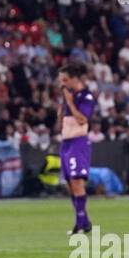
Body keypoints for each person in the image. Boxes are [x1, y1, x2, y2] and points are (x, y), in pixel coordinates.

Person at [56, 61, 94, 235]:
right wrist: (61, 111)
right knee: (70, 185)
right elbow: (61, 124)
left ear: (73, 79)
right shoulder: (68, 98)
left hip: (78, 143)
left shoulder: (85, 97)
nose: (61, 84)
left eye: (64, 80)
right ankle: (84, 222)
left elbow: (82, 119)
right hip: (66, 143)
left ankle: (80, 224)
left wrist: (70, 103)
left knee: (77, 183)